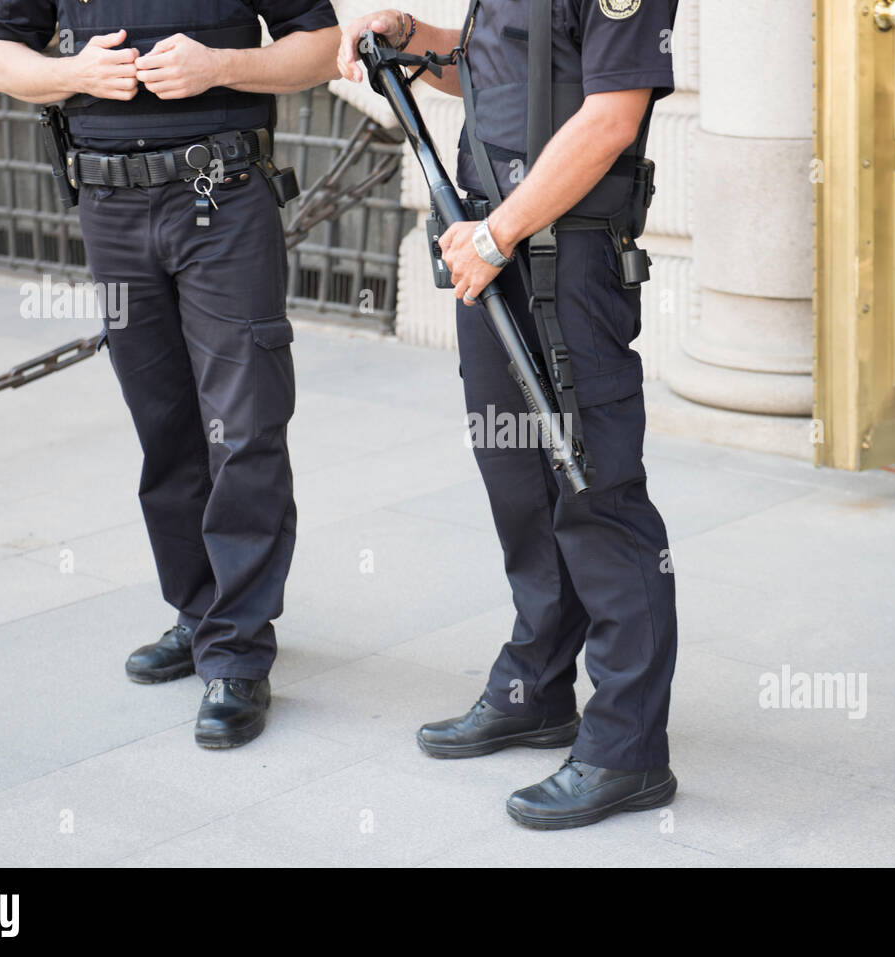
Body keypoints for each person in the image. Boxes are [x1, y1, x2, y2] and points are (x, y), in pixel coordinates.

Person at [338, 0, 680, 829]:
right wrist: (415, 41)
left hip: (566, 255)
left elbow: (608, 117)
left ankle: (627, 748)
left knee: (595, 488)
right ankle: (536, 688)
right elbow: (503, 72)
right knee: (520, 482)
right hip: (492, 247)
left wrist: (497, 233)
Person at [0, 0, 341, 748]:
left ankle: (239, 653)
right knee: (166, 426)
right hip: (110, 207)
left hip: (222, 197)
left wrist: (221, 66)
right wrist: (73, 74)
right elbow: (0, 59)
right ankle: (200, 613)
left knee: (243, 428)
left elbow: (321, 46)